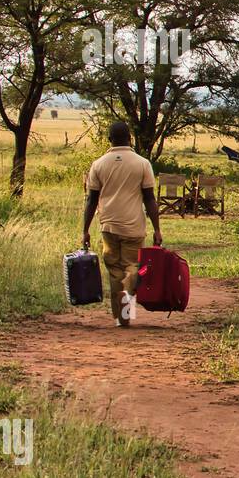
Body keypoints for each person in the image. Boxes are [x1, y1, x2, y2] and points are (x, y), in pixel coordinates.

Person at [82, 121, 162, 328]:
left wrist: (85, 231)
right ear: (130, 139)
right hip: (134, 227)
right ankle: (128, 300)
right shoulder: (142, 163)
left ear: (109, 140)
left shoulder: (98, 164)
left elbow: (91, 200)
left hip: (108, 226)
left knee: (115, 271)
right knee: (133, 267)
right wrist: (157, 228)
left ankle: (122, 318)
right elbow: (149, 199)